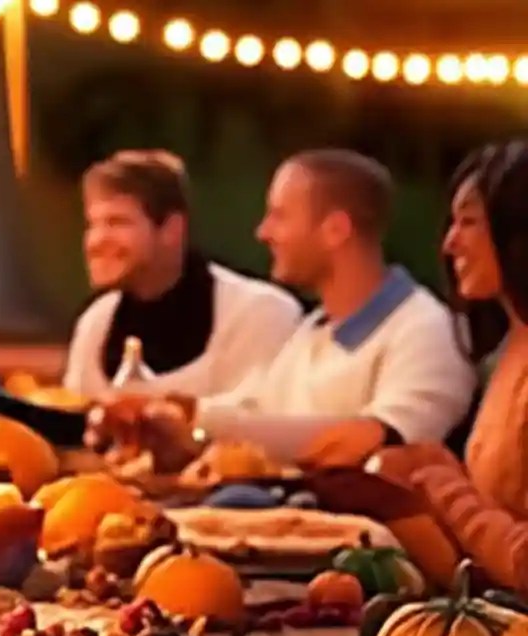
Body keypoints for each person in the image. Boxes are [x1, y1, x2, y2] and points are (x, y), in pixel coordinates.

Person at [183, 149, 476, 464]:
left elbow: (374, 440)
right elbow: (257, 408)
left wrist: (202, 421)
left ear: (335, 230)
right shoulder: (315, 328)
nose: (263, 232)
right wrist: (180, 415)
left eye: (279, 216)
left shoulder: (426, 331)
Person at [373, 141, 528, 596]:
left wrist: (450, 494)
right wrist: (443, 474)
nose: (449, 242)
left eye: (468, 221)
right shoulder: (511, 350)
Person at [64, 150, 302, 398]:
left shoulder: (259, 314)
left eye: (117, 222)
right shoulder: (94, 324)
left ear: (172, 229)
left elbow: (256, 420)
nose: (97, 240)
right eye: (92, 224)